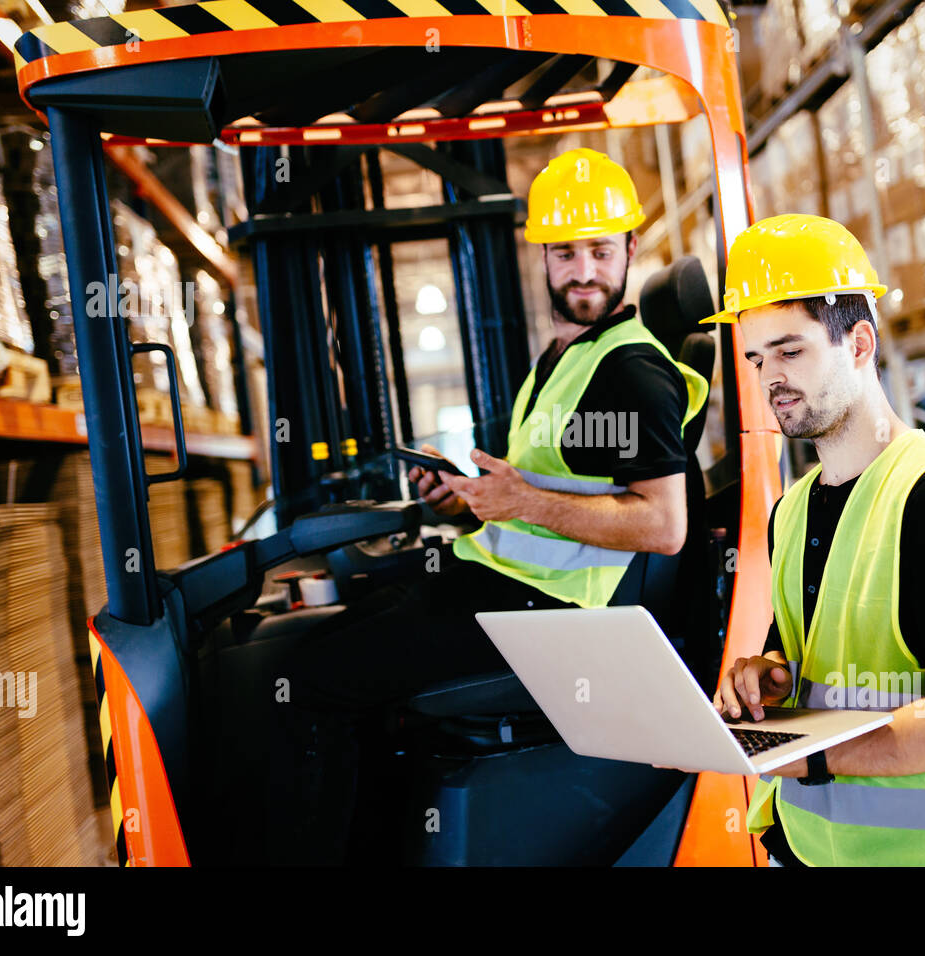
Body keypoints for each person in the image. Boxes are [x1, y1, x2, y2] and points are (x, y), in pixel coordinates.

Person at [269, 148, 708, 861]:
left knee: (309, 686)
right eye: (565, 253)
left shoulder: (635, 372)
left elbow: (664, 525)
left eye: (600, 250)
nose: (584, 271)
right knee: (323, 640)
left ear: (630, 248)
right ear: (542, 257)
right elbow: (528, 501)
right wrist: (461, 501)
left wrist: (519, 501)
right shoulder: (561, 360)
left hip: (552, 616)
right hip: (501, 585)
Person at [708, 214, 925, 866]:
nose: (769, 376)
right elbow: (813, 660)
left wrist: (812, 758)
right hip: (813, 847)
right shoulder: (793, 510)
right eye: (755, 358)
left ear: (859, 344)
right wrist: (768, 677)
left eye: (790, 350)